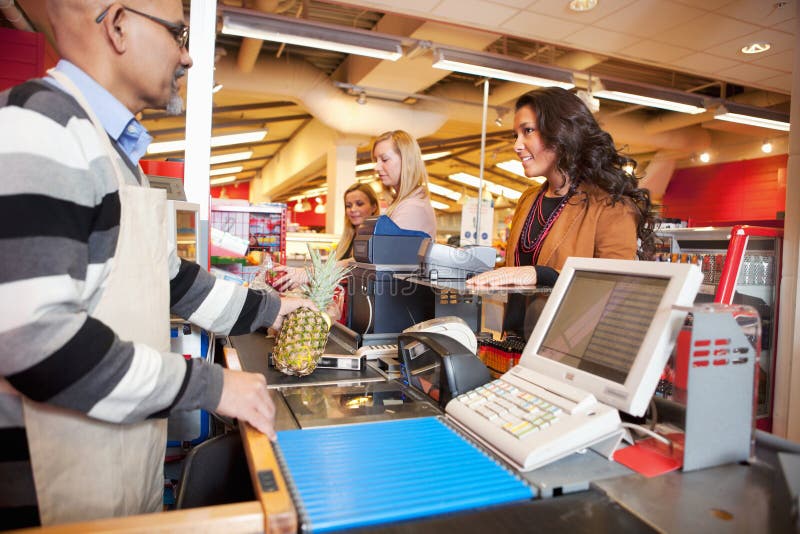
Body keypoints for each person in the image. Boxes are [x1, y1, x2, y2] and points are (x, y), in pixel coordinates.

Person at [0, 0, 315, 528]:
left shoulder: (111, 151)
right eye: (179, 32)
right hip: (49, 495)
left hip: (107, 472)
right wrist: (211, 385)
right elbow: (38, 343)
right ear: (119, 26)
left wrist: (272, 309)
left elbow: (169, 280)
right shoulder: (42, 127)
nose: (188, 57)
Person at [466, 87, 656, 334]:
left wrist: (541, 275)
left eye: (528, 131)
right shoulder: (528, 199)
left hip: (568, 348)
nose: (517, 145)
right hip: (514, 344)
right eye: (516, 134)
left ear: (561, 131)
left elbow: (613, 286)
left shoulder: (612, 206)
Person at [373, 129, 437, 238]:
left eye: (384, 159)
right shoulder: (403, 203)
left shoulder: (413, 207)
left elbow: (388, 252)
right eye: (376, 160)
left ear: (406, 160)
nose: (376, 167)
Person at [335, 182, 381, 260]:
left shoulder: (379, 240)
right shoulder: (344, 242)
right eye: (348, 206)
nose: (353, 209)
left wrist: (344, 264)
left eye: (359, 204)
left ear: (374, 207)